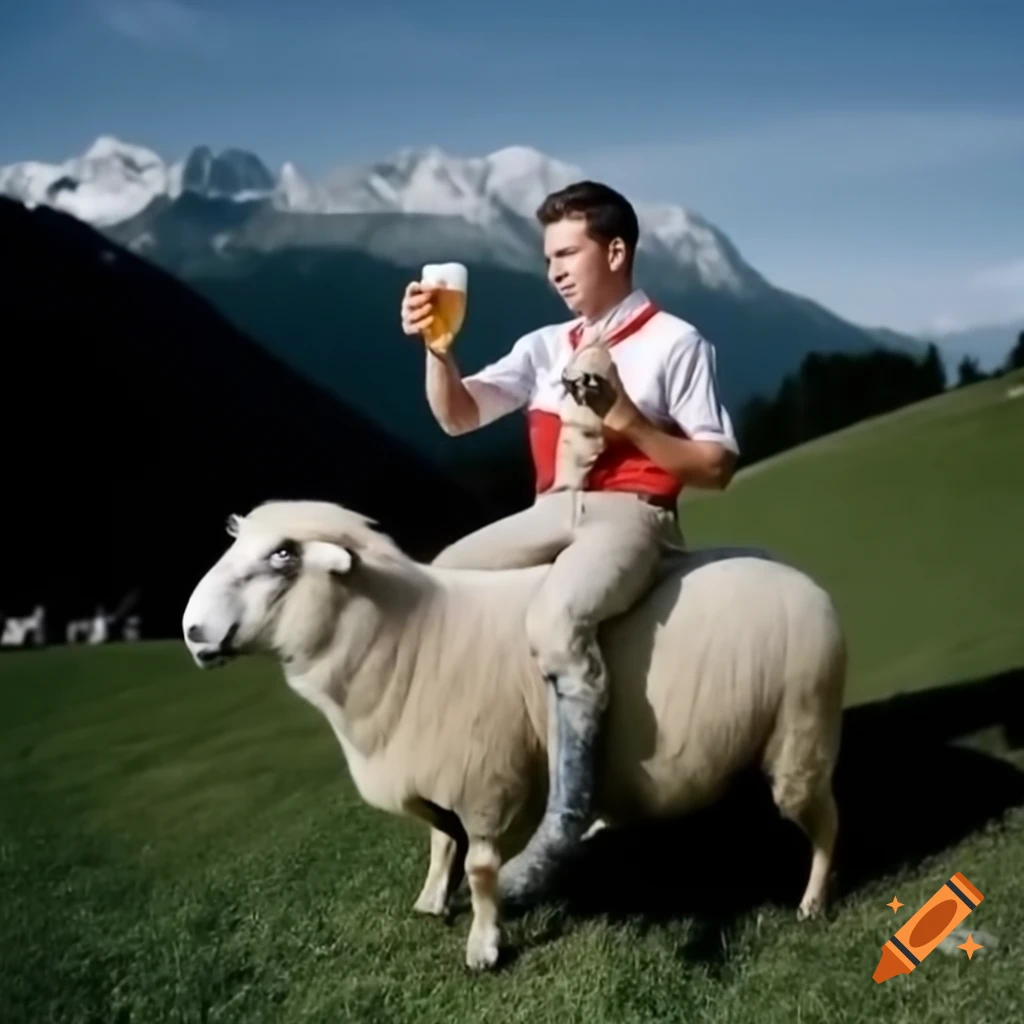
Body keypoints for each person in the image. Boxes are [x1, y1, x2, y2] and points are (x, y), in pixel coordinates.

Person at [400, 180, 739, 904]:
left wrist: (632, 425)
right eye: (547, 256)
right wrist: (438, 349)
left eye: (567, 252)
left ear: (615, 251)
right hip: (549, 511)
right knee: (438, 582)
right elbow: (458, 417)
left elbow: (717, 466)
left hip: (632, 514)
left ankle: (567, 821)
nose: (553, 270)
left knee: (559, 617)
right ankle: (463, 792)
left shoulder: (676, 343)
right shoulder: (544, 347)